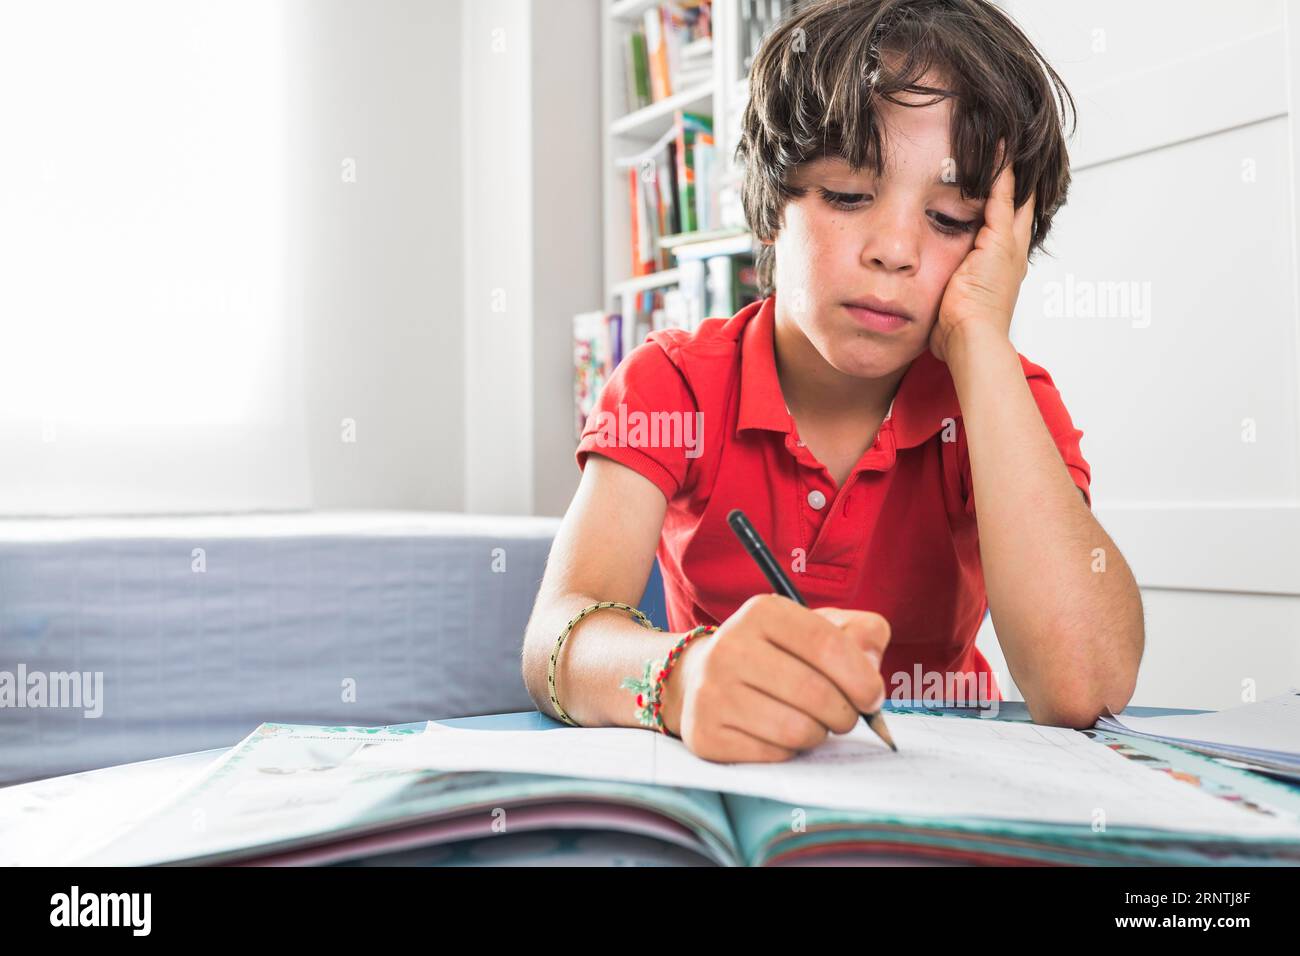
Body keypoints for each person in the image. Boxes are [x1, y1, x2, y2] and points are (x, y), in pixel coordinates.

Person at [522, 0, 1143, 763]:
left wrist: (981, 340)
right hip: (740, 769)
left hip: (946, 779)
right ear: (770, 205)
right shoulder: (673, 384)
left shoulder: (1001, 399)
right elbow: (558, 634)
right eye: (848, 196)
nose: (895, 250)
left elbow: (1084, 687)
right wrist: (679, 677)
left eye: (950, 218)